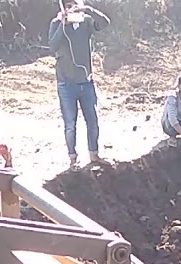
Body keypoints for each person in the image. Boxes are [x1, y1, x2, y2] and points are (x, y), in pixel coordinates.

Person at [48, 0, 110, 169]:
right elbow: (52, 46)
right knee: (70, 124)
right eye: (68, 6)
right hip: (66, 84)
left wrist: (88, 9)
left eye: (74, 5)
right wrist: (63, 24)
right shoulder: (56, 23)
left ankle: (94, 154)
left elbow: (105, 22)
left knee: (93, 120)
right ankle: (73, 159)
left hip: (86, 81)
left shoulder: (86, 22)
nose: (71, 9)